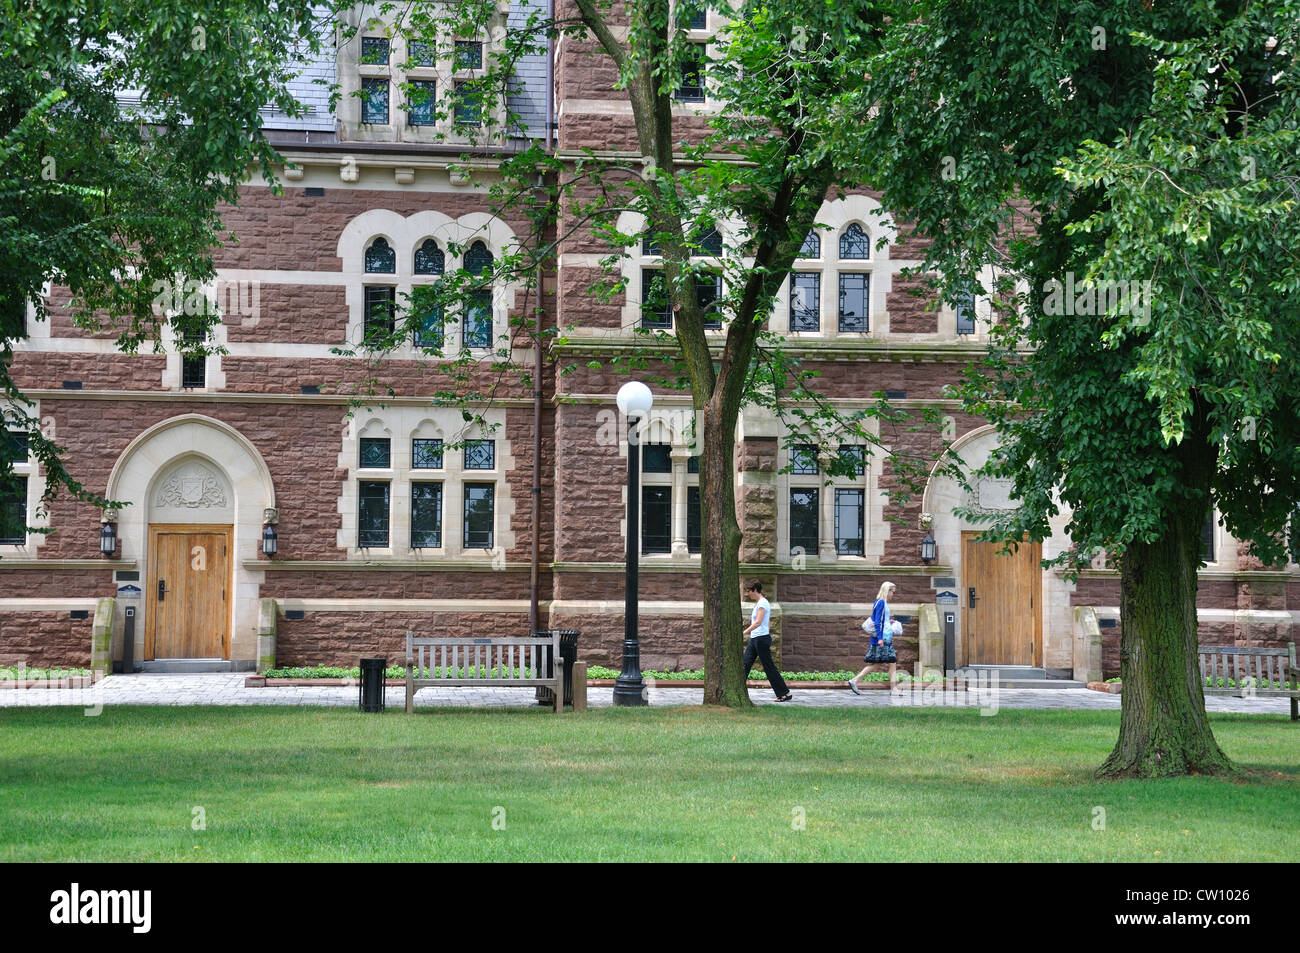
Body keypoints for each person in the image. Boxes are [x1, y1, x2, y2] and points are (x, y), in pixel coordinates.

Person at [742, 581, 792, 702]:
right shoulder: (759, 603)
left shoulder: (763, 603)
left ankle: (784, 693)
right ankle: (736, 688)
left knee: (769, 667)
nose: (747, 594)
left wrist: (744, 632)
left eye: (748, 591)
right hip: (756, 638)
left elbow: (758, 622)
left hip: (760, 639)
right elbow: (767, 622)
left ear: (754, 590)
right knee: (745, 664)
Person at [846, 581, 898, 694]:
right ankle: (855, 680)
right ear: (887, 591)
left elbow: (880, 620)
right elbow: (877, 622)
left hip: (884, 637)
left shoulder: (879, 602)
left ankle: (855, 680)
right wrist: (880, 639)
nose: (893, 595)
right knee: (885, 663)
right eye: (892, 592)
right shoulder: (881, 603)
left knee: (885, 663)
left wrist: (889, 621)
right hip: (883, 639)